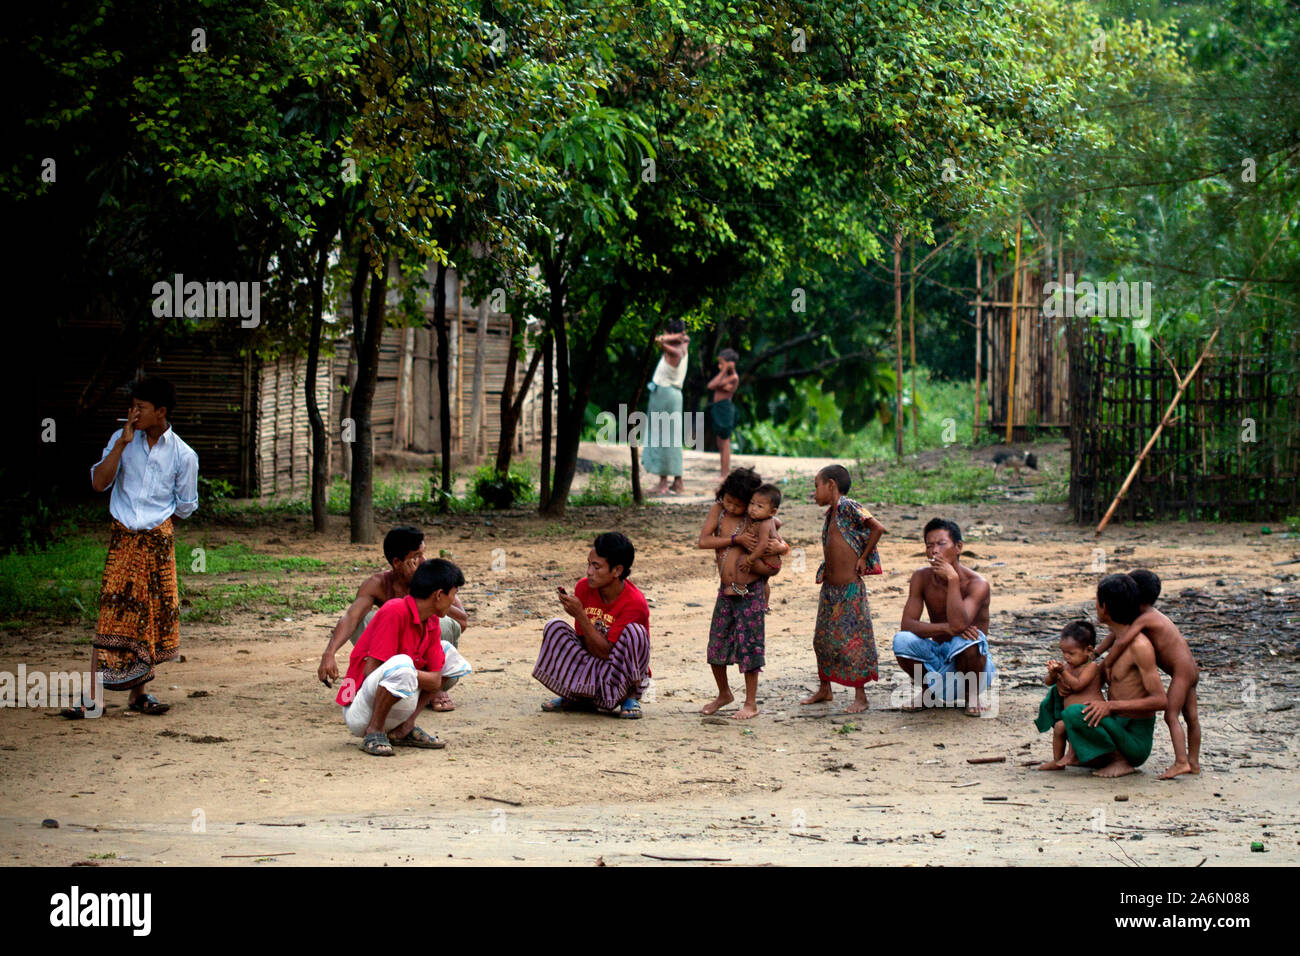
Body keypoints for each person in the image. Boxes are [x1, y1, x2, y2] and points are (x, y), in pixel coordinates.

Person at [64, 377, 199, 719]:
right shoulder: (121, 440)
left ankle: (139, 695)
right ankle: (92, 697)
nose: (134, 413)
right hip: (123, 538)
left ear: (161, 412)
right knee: (111, 613)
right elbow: (98, 482)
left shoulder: (184, 455)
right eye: (133, 406)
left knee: (147, 617)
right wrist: (122, 445)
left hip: (155, 541)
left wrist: (156, 523)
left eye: (142, 408)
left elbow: (186, 506)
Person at [317, 525, 470, 711]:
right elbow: (351, 617)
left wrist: (425, 591)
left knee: (442, 622)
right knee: (362, 620)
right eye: (416, 556)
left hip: (428, 667)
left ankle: (433, 690)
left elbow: (461, 622)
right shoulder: (378, 584)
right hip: (392, 662)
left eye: (423, 554)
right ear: (397, 562)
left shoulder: (433, 578)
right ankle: (382, 686)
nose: (423, 560)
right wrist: (329, 653)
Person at [336, 559, 464, 756]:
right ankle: (374, 731)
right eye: (453, 594)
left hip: (398, 703)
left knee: (449, 654)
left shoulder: (431, 621)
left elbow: (437, 679)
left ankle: (405, 727)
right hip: (362, 712)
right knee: (403, 664)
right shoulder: (394, 611)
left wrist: (413, 674)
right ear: (439, 594)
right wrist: (415, 674)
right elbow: (371, 670)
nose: (453, 600)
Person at [698, 471, 787, 719]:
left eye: (740, 503)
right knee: (716, 643)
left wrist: (782, 547)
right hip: (726, 589)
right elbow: (703, 541)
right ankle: (724, 693)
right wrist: (735, 540)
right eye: (729, 500)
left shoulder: (758, 516)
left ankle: (751, 702)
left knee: (750, 644)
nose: (733, 507)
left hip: (751, 590)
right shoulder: (719, 511)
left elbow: (780, 538)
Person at [1096, 569, 1200, 779]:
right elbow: (1115, 635)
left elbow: (1123, 640)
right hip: (1189, 669)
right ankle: (1194, 762)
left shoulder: (1145, 619)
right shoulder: (1148, 615)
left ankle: (1181, 762)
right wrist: (1096, 652)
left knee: (1171, 715)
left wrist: (1107, 663)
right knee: (1192, 718)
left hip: (1181, 672)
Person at [1060, 574, 1167, 778]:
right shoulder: (1118, 640)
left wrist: (1110, 706)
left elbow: (1161, 700)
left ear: (1105, 608)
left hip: (1134, 739)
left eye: (1097, 602)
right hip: (1117, 725)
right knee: (1059, 696)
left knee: (1075, 713)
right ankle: (1089, 755)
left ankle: (1120, 760)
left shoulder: (1139, 646)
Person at [534, 532, 650, 719]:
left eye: (596, 567)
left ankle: (629, 697)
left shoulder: (634, 602)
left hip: (619, 671)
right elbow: (584, 644)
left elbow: (606, 653)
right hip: (593, 664)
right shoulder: (583, 587)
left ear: (617, 571)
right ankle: (577, 695)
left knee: (636, 633)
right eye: (589, 564)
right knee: (555, 627)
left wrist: (580, 615)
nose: (589, 572)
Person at [802, 464, 885, 714]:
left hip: (849, 590)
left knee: (853, 643)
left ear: (831, 485)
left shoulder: (848, 506)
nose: (814, 492)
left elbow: (877, 527)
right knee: (823, 640)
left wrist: (863, 557)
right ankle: (825, 689)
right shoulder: (832, 514)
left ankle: (861, 697)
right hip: (830, 590)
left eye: (816, 486)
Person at [891, 517, 996, 716]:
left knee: (969, 641)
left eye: (941, 544)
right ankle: (928, 692)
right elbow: (907, 624)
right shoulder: (921, 577)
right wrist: (944, 629)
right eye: (929, 545)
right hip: (938, 657)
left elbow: (960, 624)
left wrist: (953, 579)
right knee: (902, 641)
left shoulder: (977, 584)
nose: (934, 551)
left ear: (958, 547)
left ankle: (972, 695)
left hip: (974, 666)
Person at [1034, 621, 1103, 770]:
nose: (1066, 657)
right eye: (1063, 652)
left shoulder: (1091, 667)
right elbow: (1047, 682)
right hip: (1071, 717)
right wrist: (1053, 674)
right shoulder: (1068, 666)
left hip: (1088, 715)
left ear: (1089, 650)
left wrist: (1063, 672)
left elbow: (1078, 685)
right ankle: (1057, 760)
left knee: (1069, 729)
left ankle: (1080, 756)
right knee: (1059, 727)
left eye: (1071, 653)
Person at [642, 319, 689, 495]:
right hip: (675, 395)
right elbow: (685, 338)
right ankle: (678, 480)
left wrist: (671, 336)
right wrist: (680, 336)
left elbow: (657, 340)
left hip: (665, 393)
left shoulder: (674, 350)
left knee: (663, 437)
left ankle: (663, 483)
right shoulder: (684, 346)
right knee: (672, 437)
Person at [705, 348, 740, 477]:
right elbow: (712, 385)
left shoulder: (734, 377)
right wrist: (722, 375)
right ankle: (722, 472)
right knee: (720, 442)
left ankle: (725, 474)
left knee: (725, 442)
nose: (720, 366)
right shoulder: (725, 376)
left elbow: (712, 386)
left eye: (722, 363)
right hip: (718, 407)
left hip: (725, 408)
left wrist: (724, 372)